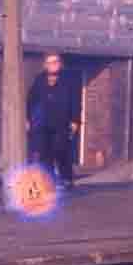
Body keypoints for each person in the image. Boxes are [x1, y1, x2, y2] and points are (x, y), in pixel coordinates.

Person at [27, 53, 80, 188]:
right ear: (45, 65)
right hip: (43, 122)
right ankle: (49, 180)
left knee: (61, 149)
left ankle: (66, 177)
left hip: (62, 121)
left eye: (55, 62)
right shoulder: (39, 80)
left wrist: (75, 120)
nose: (53, 65)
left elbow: (75, 101)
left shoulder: (69, 79)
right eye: (50, 62)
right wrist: (28, 119)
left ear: (60, 63)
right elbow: (31, 100)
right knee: (45, 152)